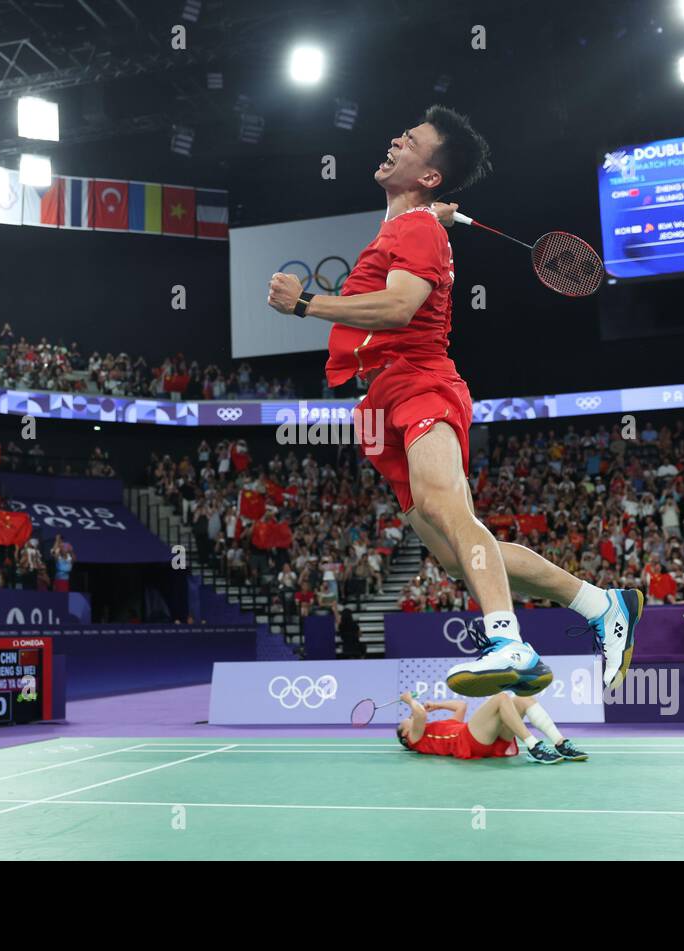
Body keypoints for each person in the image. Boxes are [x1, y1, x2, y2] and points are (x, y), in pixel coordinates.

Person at [266, 105, 641, 697]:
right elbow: (404, 234)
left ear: (431, 175)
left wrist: (306, 303)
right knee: (452, 555)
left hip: (419, 382)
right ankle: (602, 604)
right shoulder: (410, 224)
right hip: (381, 401)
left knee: (450, 511)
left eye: (410, 139)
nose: (394, 138)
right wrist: (427, 213)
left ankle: (508, 644)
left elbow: (396, 309)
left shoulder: (417, 228)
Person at [396, 690, 588, 766]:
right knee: (501, 698)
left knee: (522, 698)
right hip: (468, 741)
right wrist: (409, 700)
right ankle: (534, 747)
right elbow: (420, 714)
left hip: (484, 738)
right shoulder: (416, 738)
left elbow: (461, 706)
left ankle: (560, 743)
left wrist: (438, 705)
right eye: (406, 720)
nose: (409, 717)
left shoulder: (438, 726)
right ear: (405, 735)